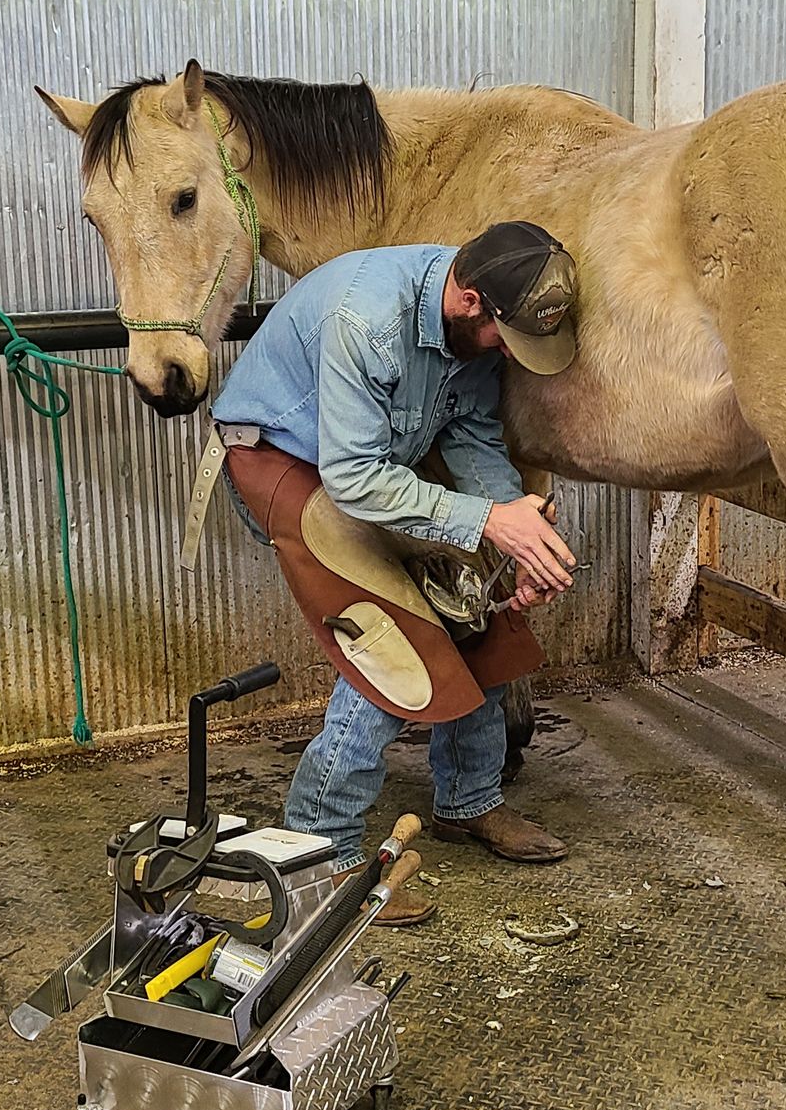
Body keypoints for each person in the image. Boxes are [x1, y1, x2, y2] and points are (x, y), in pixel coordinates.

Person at [212, 222, 581, 924]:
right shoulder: (368, 319)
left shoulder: (474, 324)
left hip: (369, 467)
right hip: (282, 461)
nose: (511, 355)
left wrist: (513, 534)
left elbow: (469, 431)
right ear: (470, 302)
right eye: (508, 339)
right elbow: (352, 481)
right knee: (391, 643)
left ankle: (468, 801)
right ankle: (320, 857)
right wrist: (485, 522)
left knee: (483, 605)